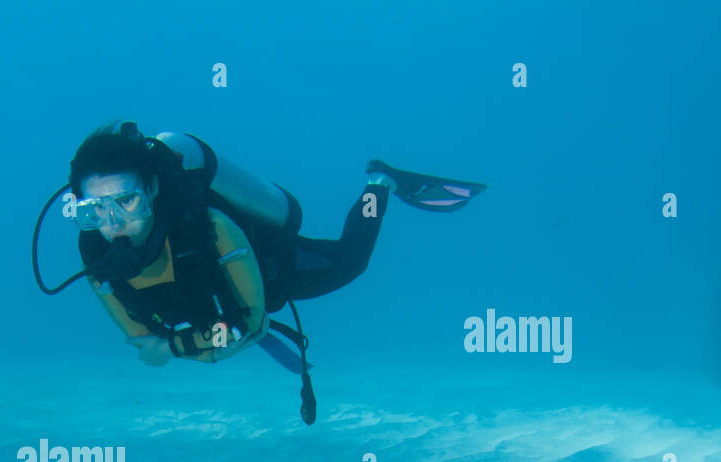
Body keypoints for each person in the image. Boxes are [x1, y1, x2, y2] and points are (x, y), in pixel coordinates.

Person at [32, 120, 486, 423]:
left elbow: (239, 329)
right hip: (210, 308)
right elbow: (141, 340)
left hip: (268, 274)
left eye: (126, 201)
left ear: (151, 189)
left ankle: (378, 183)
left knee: (351, 260)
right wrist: (188, 342)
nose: (113, 225)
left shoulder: (207, 225)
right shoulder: (97, 256)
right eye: (94, 210)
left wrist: (174, 345)